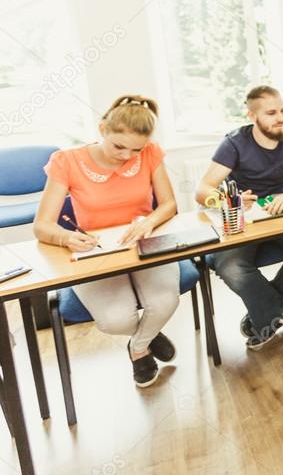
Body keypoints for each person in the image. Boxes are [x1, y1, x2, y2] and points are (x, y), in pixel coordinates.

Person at [33, 95, 180, 388]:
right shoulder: (67, 161)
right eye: (118, 146)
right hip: (96, 250)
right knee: (114, 320)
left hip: (143, 243)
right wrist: (67, 237)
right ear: (102, 129)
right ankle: (148, 334)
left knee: (166, 300)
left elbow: (169, 204)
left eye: (135, 149)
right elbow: (42, 226)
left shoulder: (150, 153)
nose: (126, 155)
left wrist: (149, 221)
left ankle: (139, 348)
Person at [195, 86, 283, 350]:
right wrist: (230, 201)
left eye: (282, 110)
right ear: (252, 116)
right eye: (271, 112)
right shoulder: (234, 143)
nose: (280, 117)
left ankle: (265, 316)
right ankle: (276, 312)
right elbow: (202, 191)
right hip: (245, 219)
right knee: (230, 266)